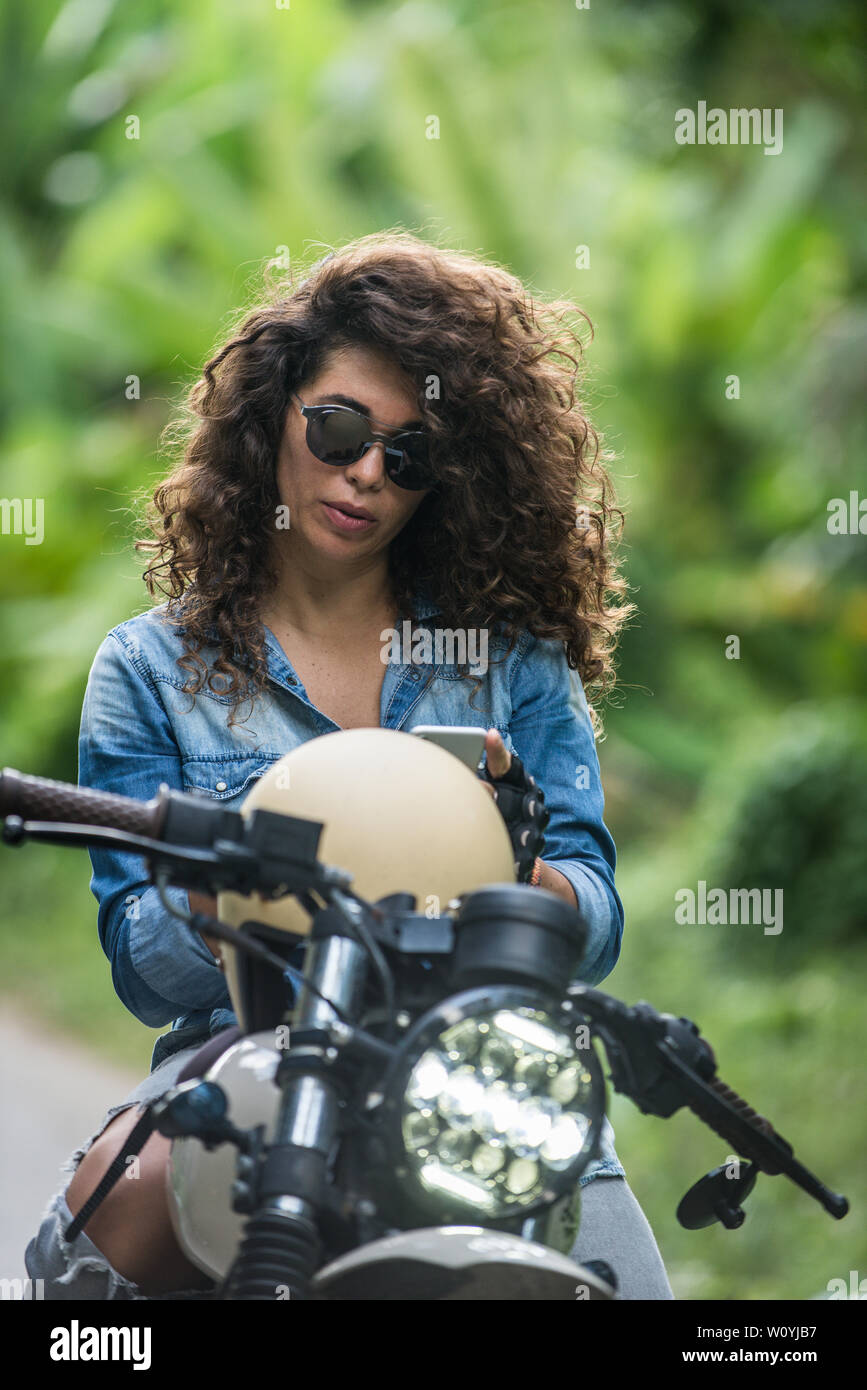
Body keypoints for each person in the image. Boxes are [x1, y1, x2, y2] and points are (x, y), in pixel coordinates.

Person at [25, 230, 673, 1299]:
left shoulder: (515, 661)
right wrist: (215, 881)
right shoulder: (145, 669)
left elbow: (594, 923)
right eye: (339, 430)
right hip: (247, 1061)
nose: (367, 471)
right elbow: (145, 976)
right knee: (101, 1254)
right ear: (272, 417)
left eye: (409, 455)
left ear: (444, 481)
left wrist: (522, 867)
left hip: (479, 1072)